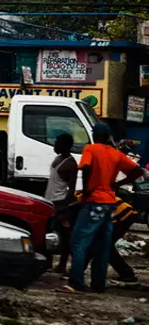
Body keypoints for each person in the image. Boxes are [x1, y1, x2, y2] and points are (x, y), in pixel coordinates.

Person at [63, 125, 146, 293]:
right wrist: (117, 184)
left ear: (95, 135)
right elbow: (137, 170)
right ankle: (98, 284)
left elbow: (85, 168)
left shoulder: (91, 149)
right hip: (109, 203)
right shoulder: (115, 154)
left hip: (94, 201)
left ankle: (76, 282)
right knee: (102, 245)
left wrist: (86, 191)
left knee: (79, 241)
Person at [75, 189, 140, 284]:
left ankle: (127, 274)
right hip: (124, 214)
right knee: (100, 245)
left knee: (105, 247)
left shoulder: (81, 200)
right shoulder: (83, 196)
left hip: (123, 216)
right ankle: (127, 274)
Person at [46, 133, 78, 274]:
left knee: (65, 236)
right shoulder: (58, 159)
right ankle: (50, 263)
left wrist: (65, 207)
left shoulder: (70, 164)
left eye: (57, 143)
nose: (55, 146)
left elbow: (71, 188)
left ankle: (63, 265)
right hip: (51, 201)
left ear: (65, 145)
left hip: (60, 203)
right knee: (50, 233)